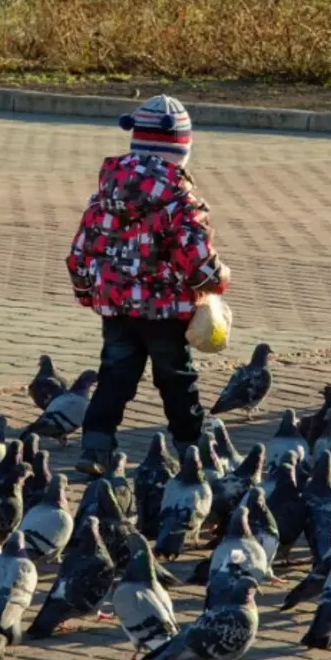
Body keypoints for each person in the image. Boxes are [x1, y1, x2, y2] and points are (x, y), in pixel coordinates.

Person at [66, 95, 230, 476]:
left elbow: (79, 252)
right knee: (176, 378)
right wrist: (217, 279)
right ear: (181, 149)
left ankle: (94, 447)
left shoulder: (105, 195)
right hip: (166, 311)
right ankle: (192, 448)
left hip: (117, 307)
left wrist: (87, 291)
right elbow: (195, 258)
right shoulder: (178, 200)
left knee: (115, 375)